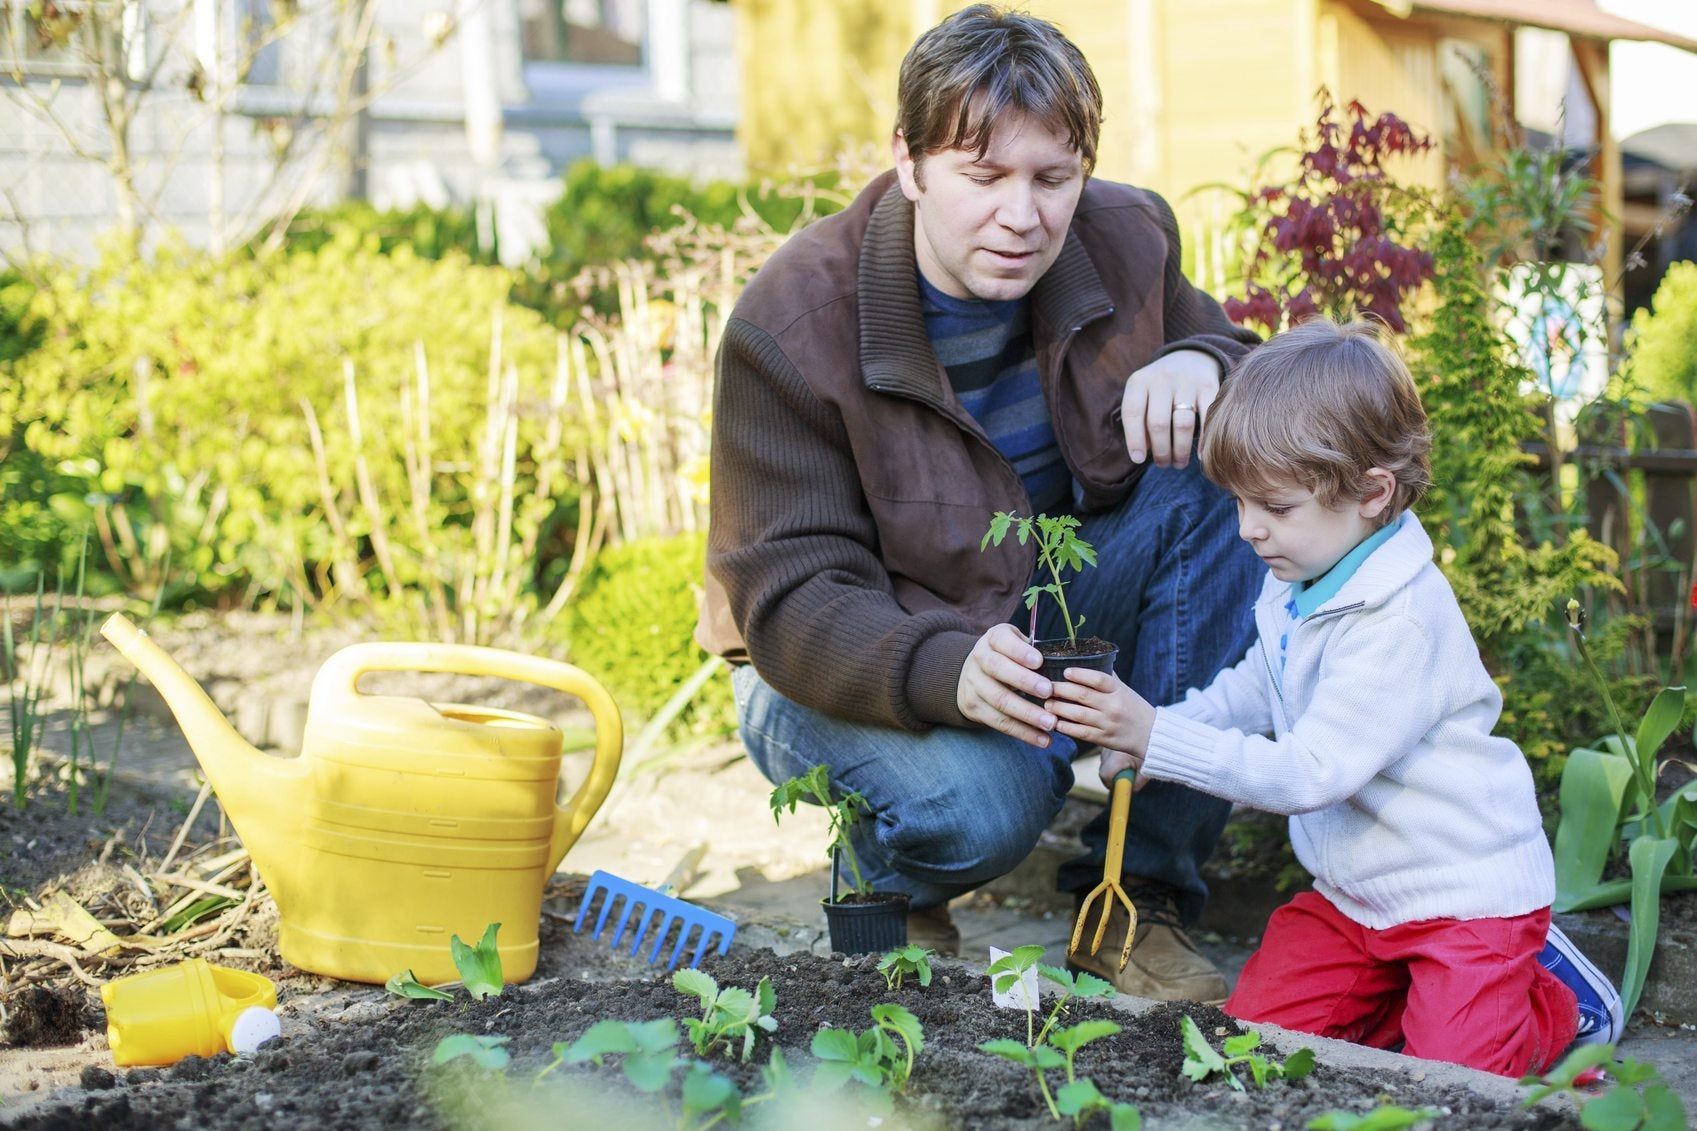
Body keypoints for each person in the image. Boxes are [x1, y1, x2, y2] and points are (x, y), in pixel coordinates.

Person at [697, 4, 1264, 1000]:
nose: (1022, 215)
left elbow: (1243, 372)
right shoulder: (792, 322)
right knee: (988, 803)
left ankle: (1135, 902)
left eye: (1053, 178)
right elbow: (786, 599)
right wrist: (937, 667)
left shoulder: (1125, 239)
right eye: (982, 175)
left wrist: (1199, 360)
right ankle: (886, 879)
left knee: (1220, 485)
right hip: (839, 658)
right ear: (909, 164)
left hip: (1036, 608)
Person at [1046, 318, 1624, 1076]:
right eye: (1238, 504)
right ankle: (1412, 999)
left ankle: (1550, 1005)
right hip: (1356, 899)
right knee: (1256, 1045)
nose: (1248, 530)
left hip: (1460, 901)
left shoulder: (1400, 620)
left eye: (1274, 508)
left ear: (1371, 493)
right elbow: (1257, 683)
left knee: (1454, 1079)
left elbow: (1308, 774)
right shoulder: (1304, 574)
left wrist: (1157, 734)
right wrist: (1166, 732)